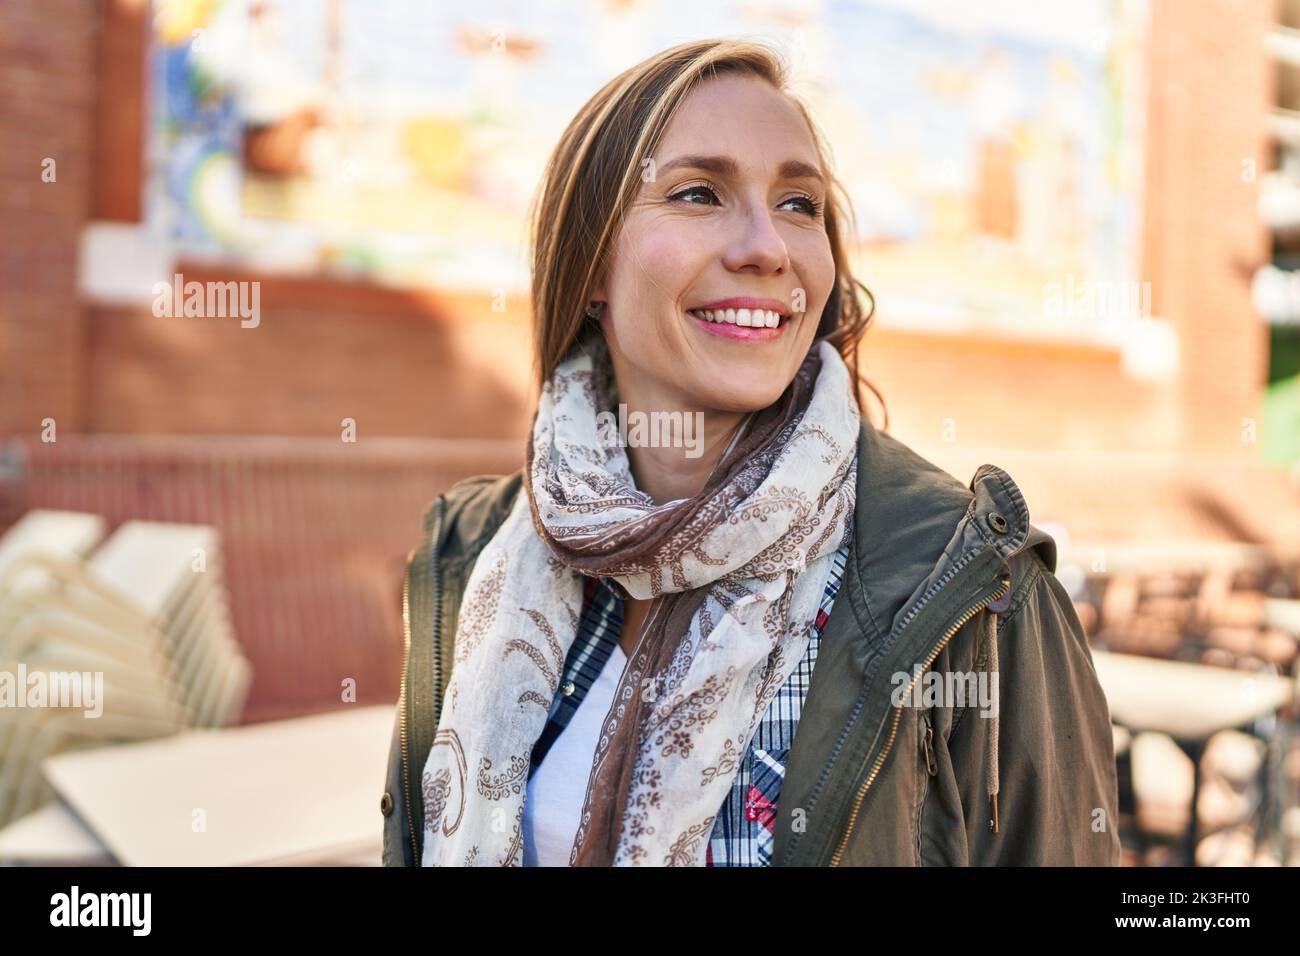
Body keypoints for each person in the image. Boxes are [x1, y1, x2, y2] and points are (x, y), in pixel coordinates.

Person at [380, 38, 1121, 867]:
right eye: (700, 194)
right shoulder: (469, 554)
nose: (768, 246)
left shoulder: (973, 583)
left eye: (799, 205)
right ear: (592, 265)